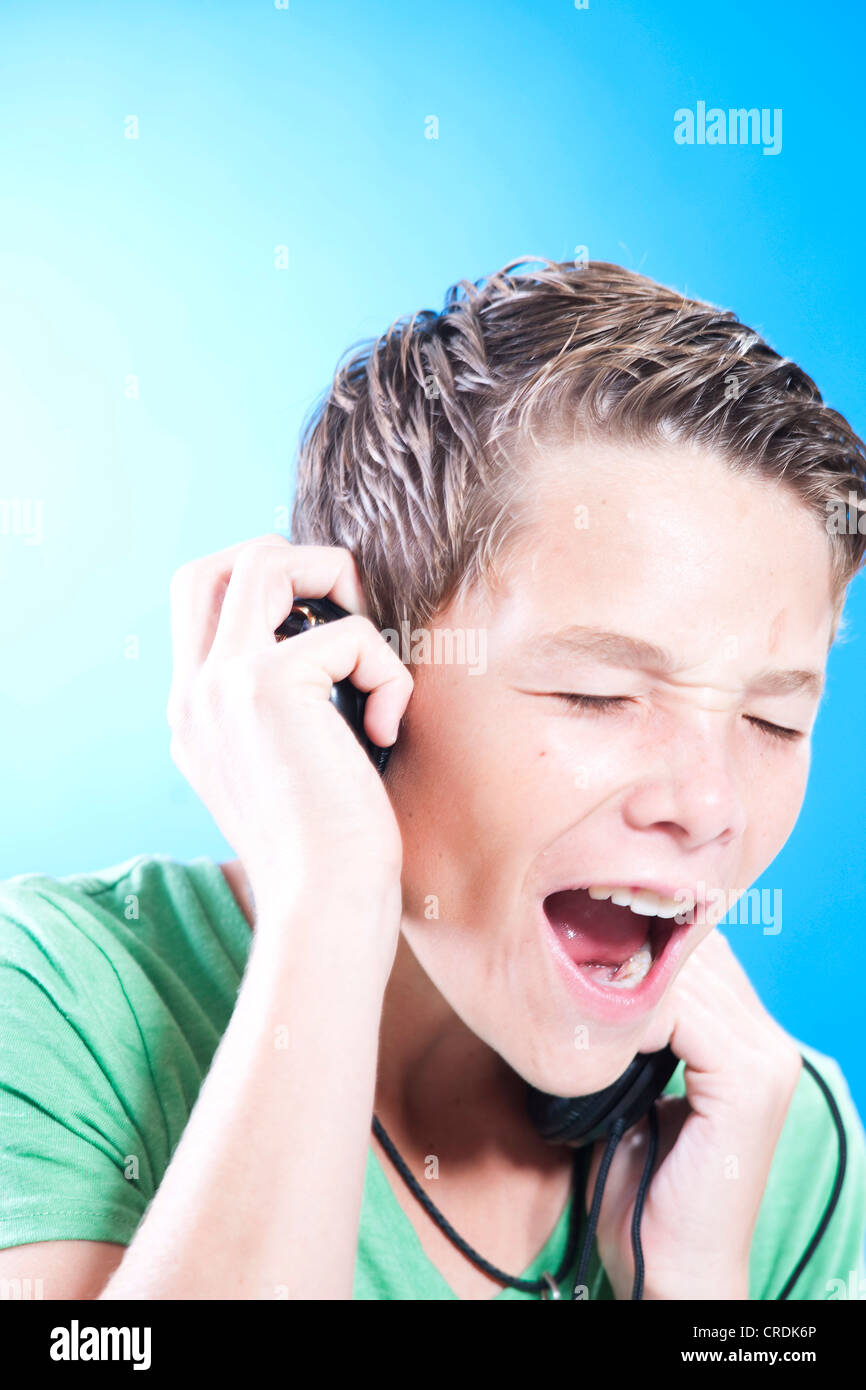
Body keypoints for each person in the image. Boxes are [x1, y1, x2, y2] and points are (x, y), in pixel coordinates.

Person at [1, 258, 864, 1301]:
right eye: (597, 693)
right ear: (349, 676)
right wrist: (330, 897)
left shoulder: (773, 1140)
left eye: (773, 719)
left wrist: (695, 1293)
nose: (712, 807)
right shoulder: (53, 1004)